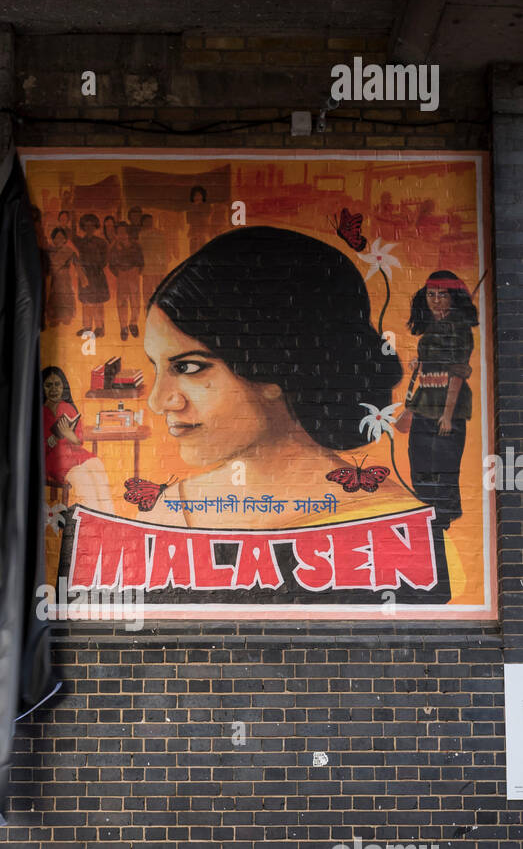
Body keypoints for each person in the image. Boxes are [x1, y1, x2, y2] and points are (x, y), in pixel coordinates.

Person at [138, 226, 452, 604]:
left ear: (274, 369)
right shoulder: (167, 514)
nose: (158, 401)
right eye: (157, 366)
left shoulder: (394, 524)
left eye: (188, 367)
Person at [397, 270, 478, 527]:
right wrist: (422, 360)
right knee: (419, 460)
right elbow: (437, 358)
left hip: (446, 405)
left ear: (452, 297)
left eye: (441, 294)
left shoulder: (459, 329)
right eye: (431, 294)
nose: (435, 299)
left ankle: (440, 519)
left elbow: (457, 372)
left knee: (442, 466)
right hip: (425, 401)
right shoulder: (434, 328)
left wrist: (447, 414)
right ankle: (427, 513)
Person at [42, 366, 114, 513]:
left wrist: (68, 433)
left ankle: (109, 519)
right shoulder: (40, 412)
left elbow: (78, 441)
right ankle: (94, 522)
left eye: (57, 384)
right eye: (49, 385)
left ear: (63, 387)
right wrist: (56, 437)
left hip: (75, 454)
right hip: (54, 460)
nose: (54, 389)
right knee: (83, 477)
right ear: (42, 387)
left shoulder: (67, 407)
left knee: (97, 465)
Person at [73, 213, 109, 338]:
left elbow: (105, 260)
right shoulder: (80, 242)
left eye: (92, 225)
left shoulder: (101, 242)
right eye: (86, 225)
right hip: (84, 274)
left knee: (98, 302)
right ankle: (87, 327)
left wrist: (95, 268)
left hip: (97, 275)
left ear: (95, 227)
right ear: (83, 227)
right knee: (86, 302)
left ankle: (99, 328)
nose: (89, 228)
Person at [108, 221, 144, 341]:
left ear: (128, 233)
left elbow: (141, 261)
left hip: (134, 273)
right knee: (122, 301)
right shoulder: (114, 248)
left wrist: (136, 272)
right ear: (117, 234)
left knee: (135, 300)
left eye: (124, 232)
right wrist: (119, 273)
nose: (122, 235)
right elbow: (111, 264)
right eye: (119, 232)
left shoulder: (136, 246)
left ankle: (133, 324)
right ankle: (123, 327)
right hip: (122, 275)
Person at [45, 227, 80, 328]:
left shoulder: (69, 251)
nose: (59, 240)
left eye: (61, 237)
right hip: (53, 279)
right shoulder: (49, 251)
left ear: (65, 239)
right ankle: (54, 318)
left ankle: (66, 317)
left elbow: (77, 265)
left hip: (65, 279)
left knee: (66, 296)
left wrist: (83, 278)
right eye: (56, 237)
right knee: (53, 297)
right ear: (53, 239)